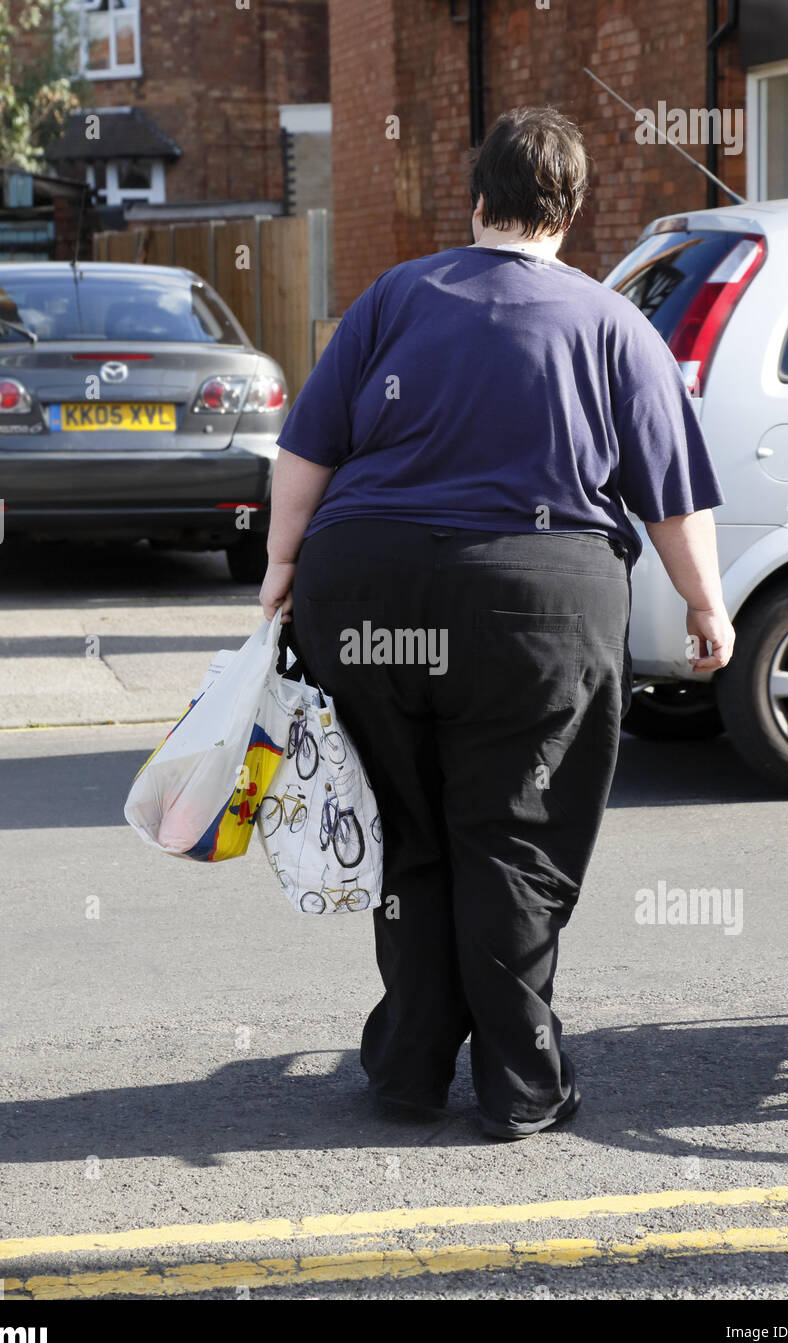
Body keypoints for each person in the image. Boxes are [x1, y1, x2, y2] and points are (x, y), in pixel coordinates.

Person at [258, 106, 735, 1140]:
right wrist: (706, 604)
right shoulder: (612, 324)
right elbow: (670, 497)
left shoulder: (394, 295)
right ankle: (521, 1084)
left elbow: (306, 451)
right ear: (569, 213)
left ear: (476, 200)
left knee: (405, 830)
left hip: (368, 587)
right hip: (535, 605)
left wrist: (281, 568)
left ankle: (409, 1071)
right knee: (513, 837)